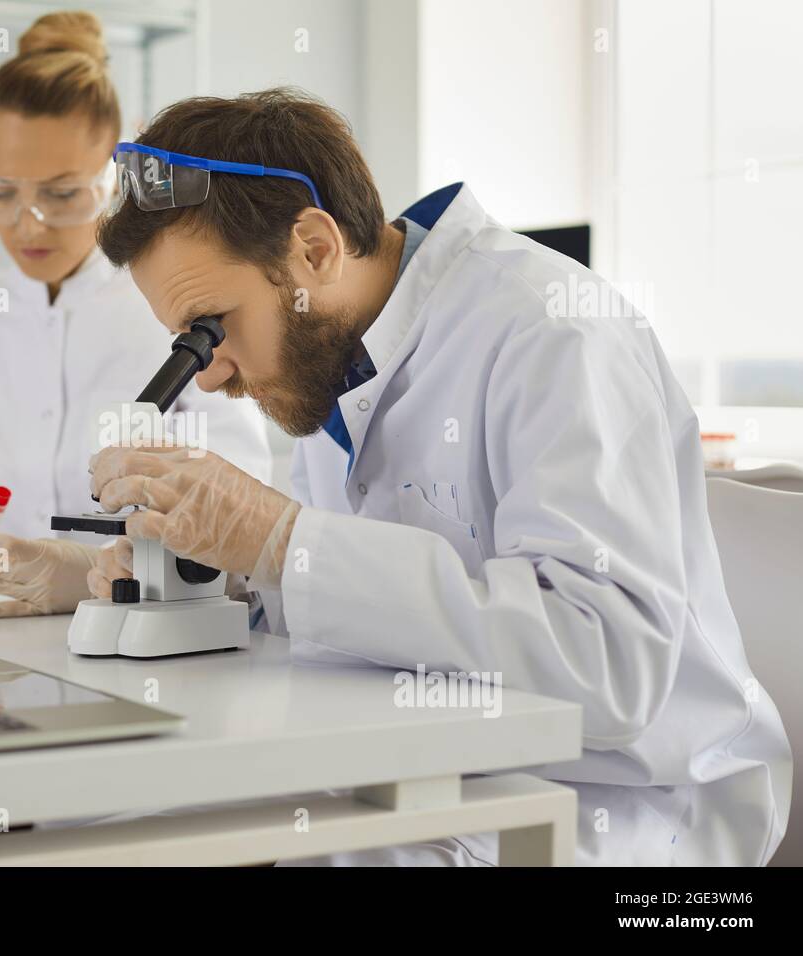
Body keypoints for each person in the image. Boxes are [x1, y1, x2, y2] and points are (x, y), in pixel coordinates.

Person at [86, 88, 790, 866]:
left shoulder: (553, 331)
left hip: (629, 805)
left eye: (211, 329)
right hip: (439, 769)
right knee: (119, 829)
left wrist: (285, 542)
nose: (210, 378)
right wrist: (208, 582)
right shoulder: (333, 358)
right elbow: (371, 612)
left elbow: (609, 668)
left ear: (315, 249)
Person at [0, 12, 270, 615]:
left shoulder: (177, 309)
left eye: (61, 194)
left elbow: (242, 521)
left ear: (116, 173)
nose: (27, 223)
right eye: (1, 193)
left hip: (148, 636)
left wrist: (96, 571)